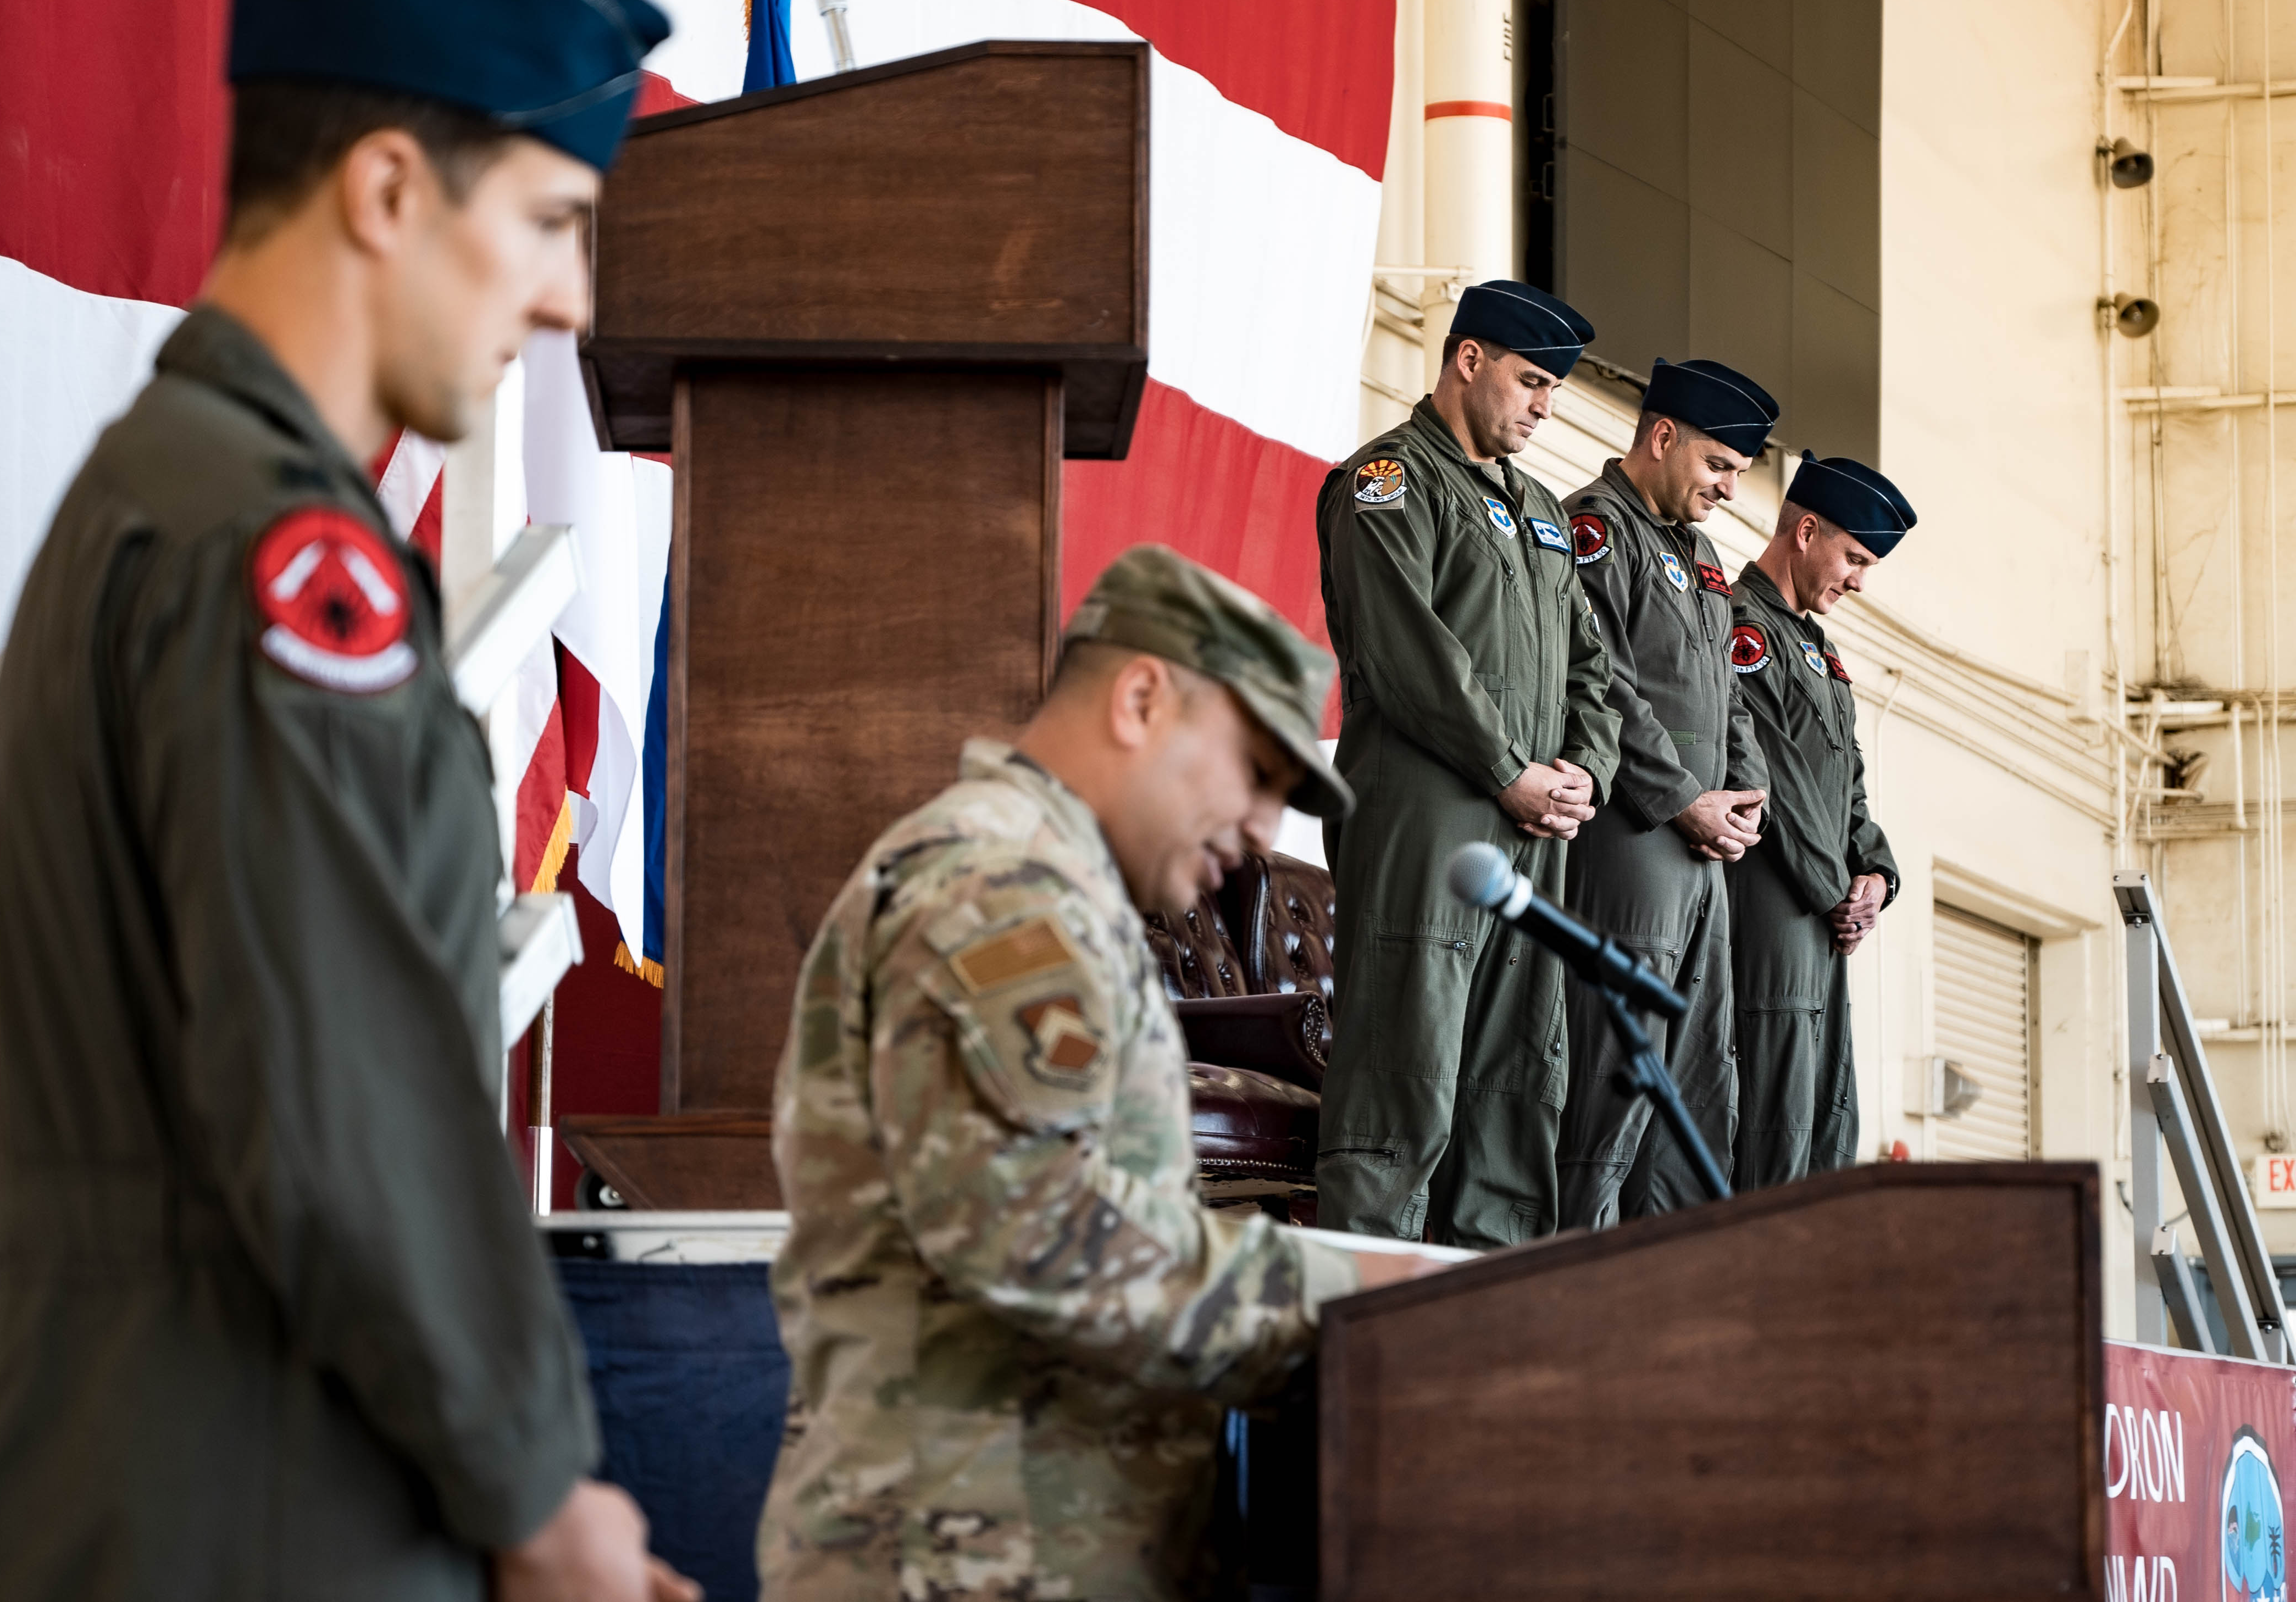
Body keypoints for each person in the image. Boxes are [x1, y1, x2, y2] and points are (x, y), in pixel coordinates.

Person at [0, 0, 697, 1602]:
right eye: (549, 222)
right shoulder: (279, 560)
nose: (574, 296)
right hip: (247, 1502)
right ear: (383, 191)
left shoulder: (182, 493)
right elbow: (340, 1092)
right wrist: (532, 1491)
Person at [758, 546, 1442, 1602]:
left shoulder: (1060, 897)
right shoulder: (998, 893)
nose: (1265, 830)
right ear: (1140, 697)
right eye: (1256, 772)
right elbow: (1053, 1240)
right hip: (962, 1565)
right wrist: (1392, 1299)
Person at [1311, 280, 1622, 1248]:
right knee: (1406, 1062)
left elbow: (1592, 669)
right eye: (1530, 382)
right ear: (1467, 359)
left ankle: (1483, 1312)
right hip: (1429, 817)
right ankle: (1370, 1310)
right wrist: (1506, 769)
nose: (1541, 406)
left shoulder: (1537, 511)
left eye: (1553, 392)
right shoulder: (1388, 482)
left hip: (1534, 823)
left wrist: (1584, 771)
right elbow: (1411, 655)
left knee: (1515, 1073)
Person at [1556, 358, 1778, 1227]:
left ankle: (1663, 1294)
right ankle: (1575, 1274)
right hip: (1633, 838)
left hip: (1703, 850)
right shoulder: (1593, 530)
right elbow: (1602, 682)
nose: (1727, 489)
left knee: (1694, 1080)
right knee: (1616, 1071)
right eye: (1718, 466)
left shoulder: (1706, 560)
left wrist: (1745, 793)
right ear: (1660, 437)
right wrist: (1685, 797)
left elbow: (1726, 696)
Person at [1727, 453, 1914, 1188]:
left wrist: (1874, 875)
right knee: (1772, 1124)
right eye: (1853, 557)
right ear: (1805, 530)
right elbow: (1771, 779)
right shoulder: (1745, 628)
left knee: (1827, 1122)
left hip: (1823, 915)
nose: (1859, 580)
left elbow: (1848, 789)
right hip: (1774, 906)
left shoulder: (1821, 653)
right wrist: (1834, 888)